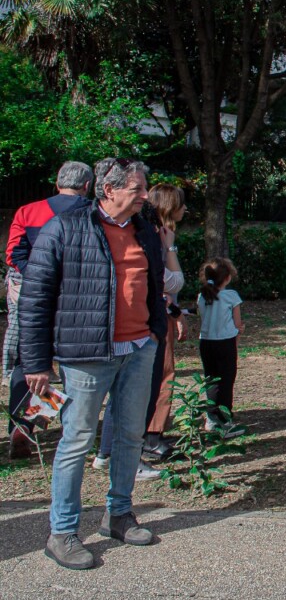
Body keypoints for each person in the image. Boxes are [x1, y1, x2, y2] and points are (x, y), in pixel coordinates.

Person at [20, 157, 168, 569]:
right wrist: (36, 363)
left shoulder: (144, 230)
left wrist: (155, 331)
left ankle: (118, 515)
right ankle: (62, 532)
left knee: (129, 437)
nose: (144, 196)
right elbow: (35, 300)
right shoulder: (64, 229)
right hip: (85, 356)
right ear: (109, 190)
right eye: (137, 189)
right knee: (76, 441)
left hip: (139, 349)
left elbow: (153, 284)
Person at [95, 185, 188, 473]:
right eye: (182, 205)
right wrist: (170, 246)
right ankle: (137, 446)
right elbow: (171, 283)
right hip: (146, 325)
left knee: (127, 388)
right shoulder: (153, 235)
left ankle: (111, 451)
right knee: (149, 383)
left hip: (145, 321)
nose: (186, 210)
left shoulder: (142, 232)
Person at [5, 161, 92, 459]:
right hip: (76, 298)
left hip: (34, 297)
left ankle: (22, 424)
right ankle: (52, 418)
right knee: (72, 363)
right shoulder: (93, 212)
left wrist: (36, 278)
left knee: (26, 361)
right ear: (88, 185)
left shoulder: (27, 212)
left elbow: (13, 252)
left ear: (57, 183)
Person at [196, 258, 245, 434]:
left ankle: (211, 419)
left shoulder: (203, 295)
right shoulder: (231, 296)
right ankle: (225, 421)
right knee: (226, 382)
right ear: (227, 277)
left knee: (211, 380)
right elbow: (237, 324)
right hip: (225, 343)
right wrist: (239, 333)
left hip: (206, 342)